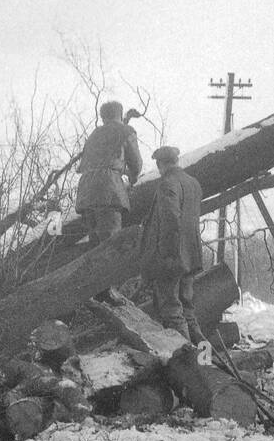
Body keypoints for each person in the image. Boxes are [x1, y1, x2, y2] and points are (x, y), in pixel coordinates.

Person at [139, 146, 204, 342]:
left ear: (160, 164)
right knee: (188, 311)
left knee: (172, 311)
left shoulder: (168, 183)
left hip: (172, 258)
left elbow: (170, 221)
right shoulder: (193, 183)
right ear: (176, 160)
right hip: (190, 257)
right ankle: (203, 358)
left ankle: (186, 361)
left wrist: (166, 257)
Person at [75, 101, 142, 246]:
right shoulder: (125, 130)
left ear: (102, 117)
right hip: (107, 190)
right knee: (112, 242)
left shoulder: (94, 135)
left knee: (95, 244)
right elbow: (136, 164)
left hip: (86, 192)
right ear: (119, 114)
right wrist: (132, 176)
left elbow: (84, 166)